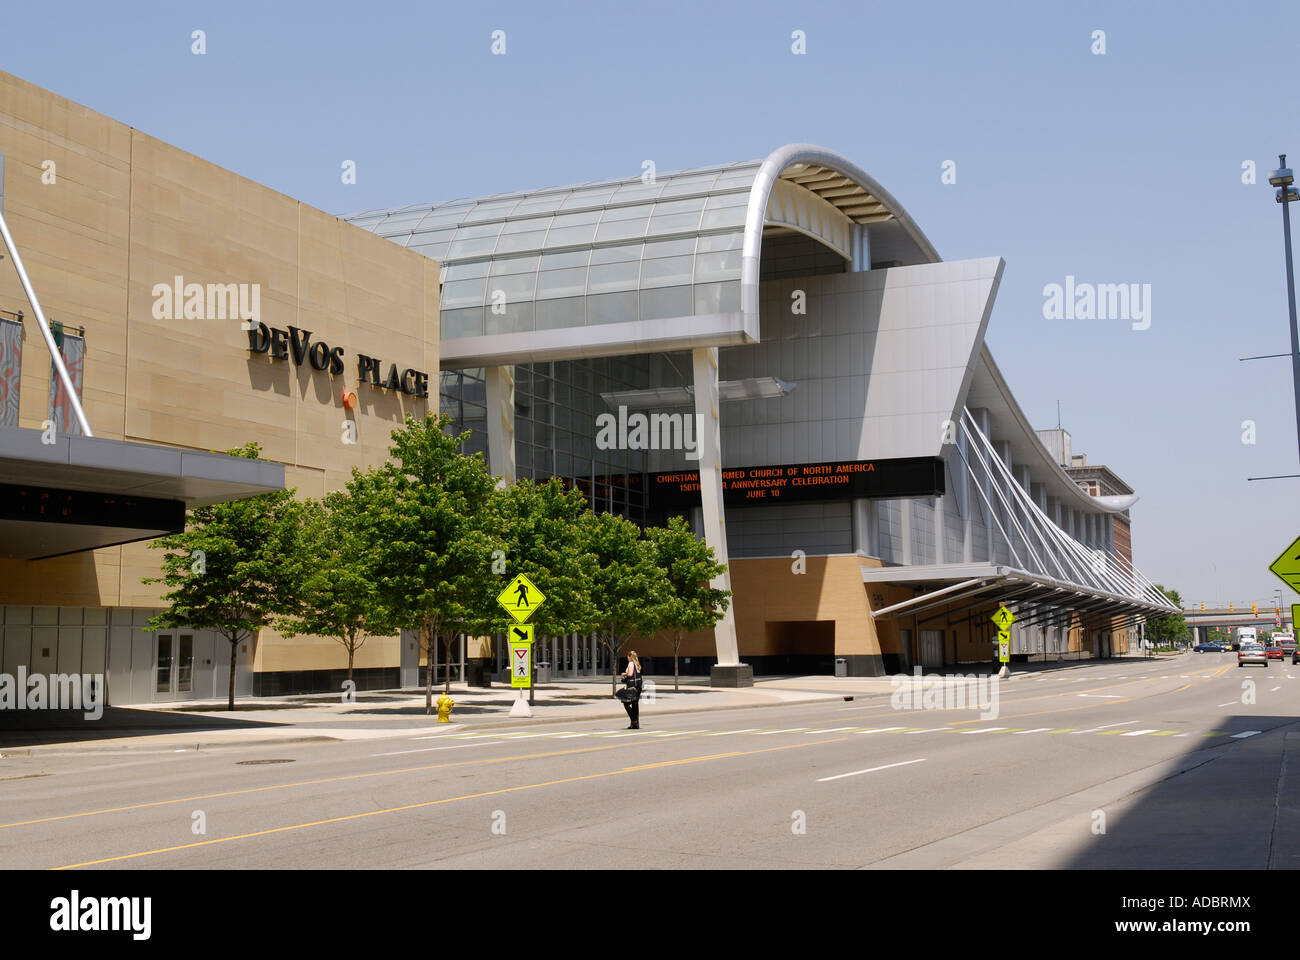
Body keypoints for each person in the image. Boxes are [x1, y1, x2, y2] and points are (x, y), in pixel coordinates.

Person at [619, 651, 643, 729]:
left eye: (628, 657)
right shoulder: (637, 664)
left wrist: (624, 674)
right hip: (638, 687)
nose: (627, 658)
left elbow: (630, 674)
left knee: (626, 703)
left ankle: (634, 720)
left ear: (630, 656)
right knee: (635, 704)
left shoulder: (631, 663)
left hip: (632, 686)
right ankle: (636, 724)